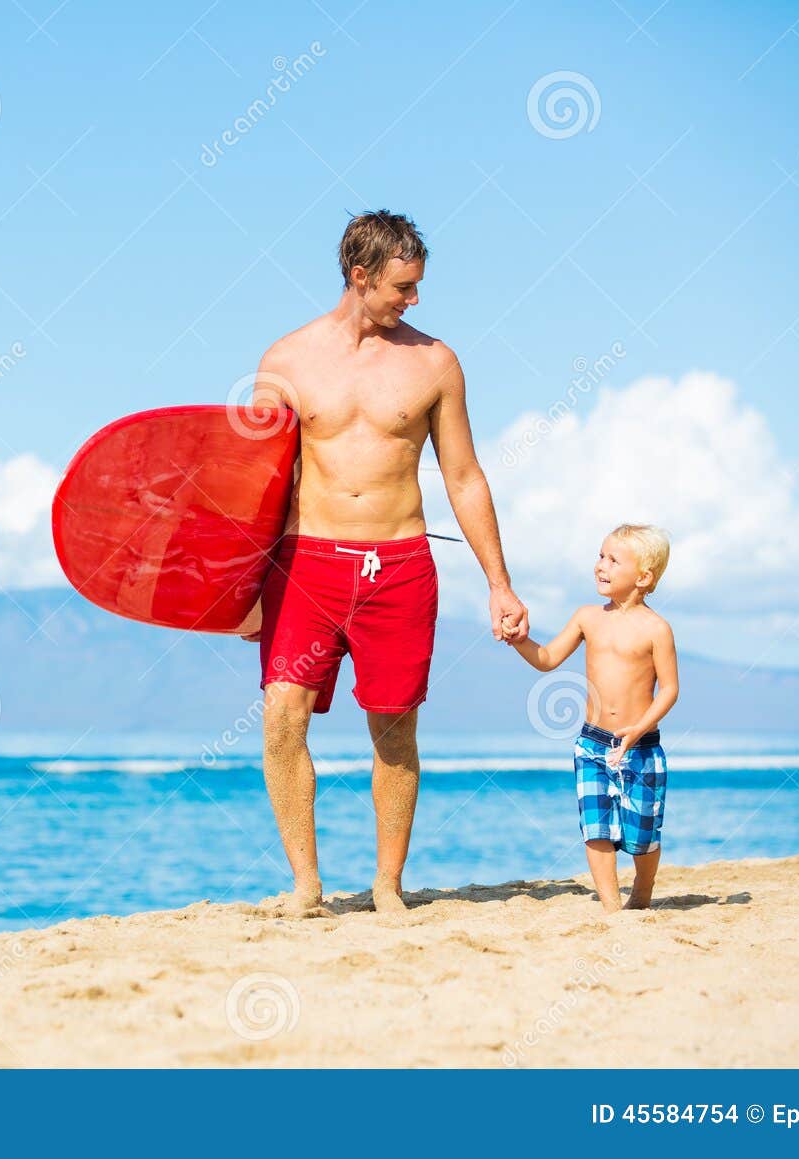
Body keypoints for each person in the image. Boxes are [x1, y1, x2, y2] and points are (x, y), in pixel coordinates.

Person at [244, 210, 528, 915]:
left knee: (395, 724)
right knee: (283, 715)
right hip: (304, 562)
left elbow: (463, 475)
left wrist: (500, 582)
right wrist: (242, 590)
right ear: (360, 276)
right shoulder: (286, 360)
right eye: (404, 285)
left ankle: (386, 886)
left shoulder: (435, 362)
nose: (415, 299)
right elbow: (257, 482)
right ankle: (307, 887)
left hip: (399, 564)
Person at [504, 524, 679, 912]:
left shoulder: (657, 629)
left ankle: (643, 889)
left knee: (642, 835)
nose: (600, 565)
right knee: (596, 828)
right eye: (601, 556)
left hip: (641, 747)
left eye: (613, 560)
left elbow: (669, 689)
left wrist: (639, 728)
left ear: (644, 577)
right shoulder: (587, 617)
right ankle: (611, 907)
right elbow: (547, 660)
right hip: (592, 743)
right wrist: (519, 640)